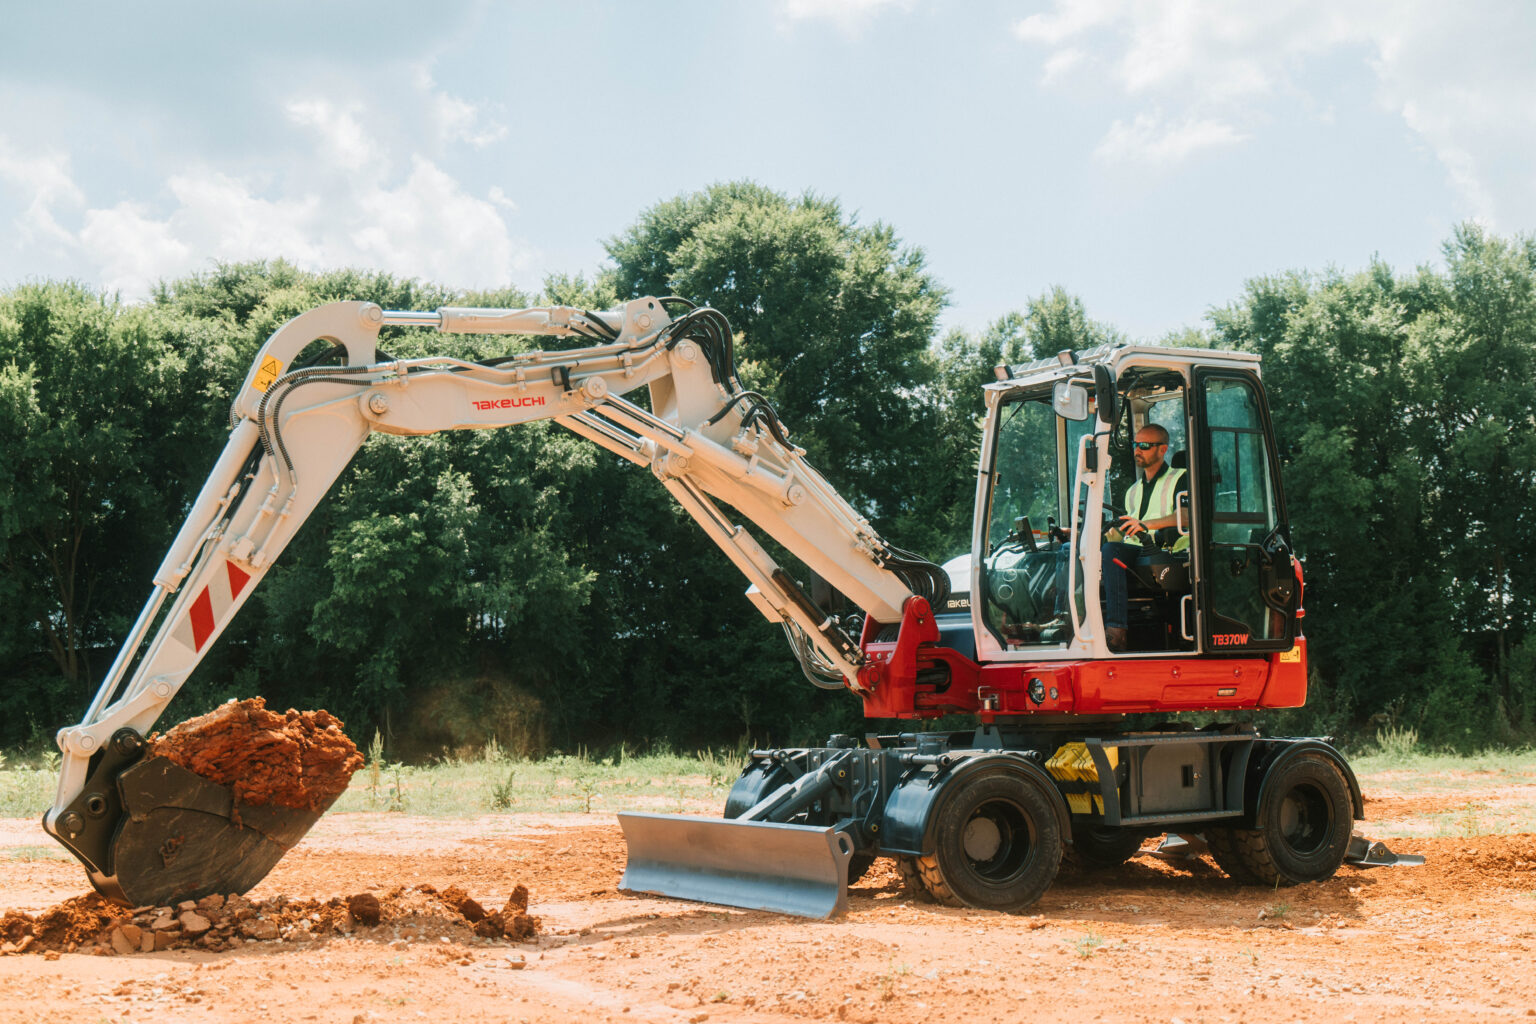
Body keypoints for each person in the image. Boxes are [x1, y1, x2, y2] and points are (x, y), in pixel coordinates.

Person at [1102, 423, 1188, 650]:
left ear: (1162, 450)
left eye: (1145, 445)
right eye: (1135, 444)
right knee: (1072, 550)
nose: (1137, 450)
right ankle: (1065, 621)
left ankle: (1117, 629)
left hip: (1166, 552)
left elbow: (1188, 516)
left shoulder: (1181, 478)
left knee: (1112, 552)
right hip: (1135, 550)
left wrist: (1146, 525)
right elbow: (1126, 530)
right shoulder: (1133, 490)